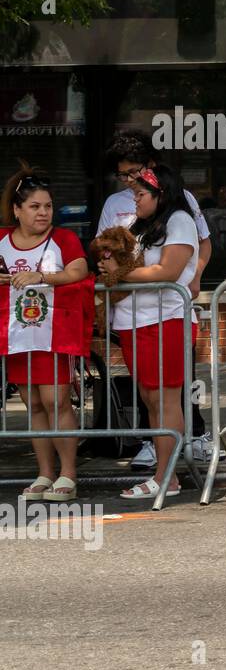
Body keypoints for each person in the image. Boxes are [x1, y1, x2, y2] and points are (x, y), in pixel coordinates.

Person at [96, 131, 220, 469]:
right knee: (151, 394)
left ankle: (180, 452)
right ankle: (160, 451)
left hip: (165, 314)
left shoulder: (179, 209)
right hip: (133, 314)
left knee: (169, 393)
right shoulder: (118, 207)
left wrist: (192, 276)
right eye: (123, 177)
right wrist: (114, 275)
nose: (129, 185)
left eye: (135, 175)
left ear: (151, 170)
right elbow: (106, 251)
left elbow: (179, 260)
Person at [100, 165, 200, 500]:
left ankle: (166, 477)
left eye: (141, 194)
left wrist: (120, 272)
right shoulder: (141, 226)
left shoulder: (180, 221)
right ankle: (164, 473)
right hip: (135, 322)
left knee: (165, 399)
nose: (135, 199)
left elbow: (168, 271)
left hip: (166, 319)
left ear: (161, 195)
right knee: (150, 398)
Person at [0, 166, 93, 502]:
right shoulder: (2, 240)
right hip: (17, 336)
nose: (43, 213)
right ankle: (44, 473)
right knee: (34, 406)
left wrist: (42, 277)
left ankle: (68, 474)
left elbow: (78, 270)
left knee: (57, 402)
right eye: (35, 206)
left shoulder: (64, 238)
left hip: (53, 335)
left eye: (48, 206)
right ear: (17, 209)